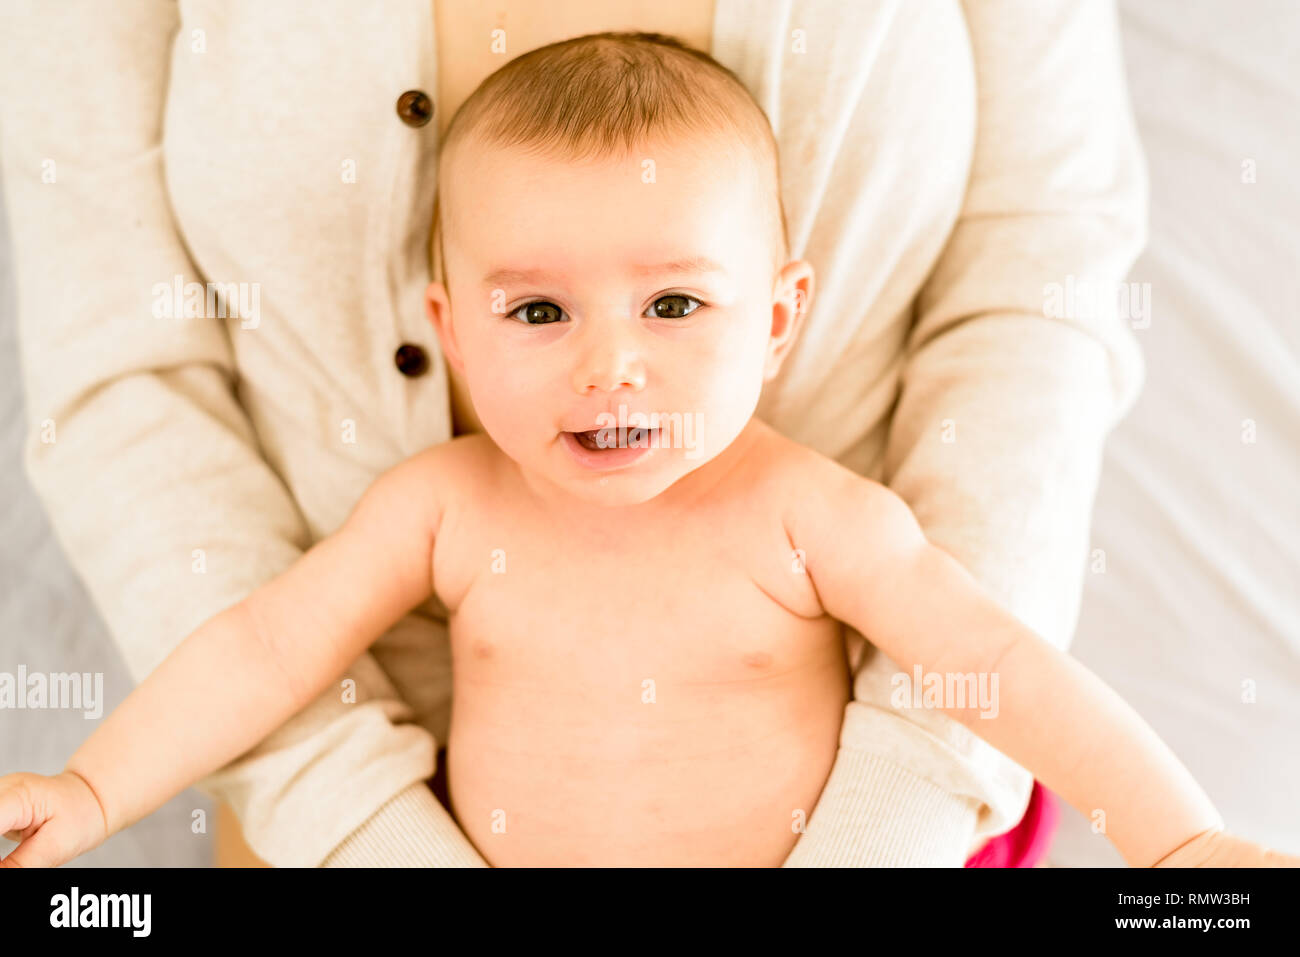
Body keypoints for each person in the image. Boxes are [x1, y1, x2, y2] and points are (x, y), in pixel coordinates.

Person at [3, 31, 1295, 869]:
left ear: (778, 318)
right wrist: (94, 788)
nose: (608, 364)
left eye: (674, 306)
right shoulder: (445, 507)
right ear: (449, 330)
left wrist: (1175, 833)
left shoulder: (806, 515)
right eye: (538, 312)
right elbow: (261, 650)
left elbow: (996, 666)